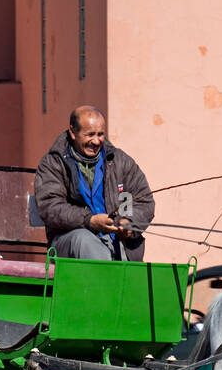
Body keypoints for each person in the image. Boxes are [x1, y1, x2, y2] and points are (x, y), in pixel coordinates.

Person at [34, 106, 155, 260]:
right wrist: (89, 221)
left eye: (100, 134)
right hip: (70, 242)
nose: (96, 141)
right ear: (72, 132)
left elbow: (142, 200)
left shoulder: (120, 161)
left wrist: (128, 223)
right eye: (90, 134)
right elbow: (50, 207)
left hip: (117, 243)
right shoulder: (52, 163)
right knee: (84, 239)